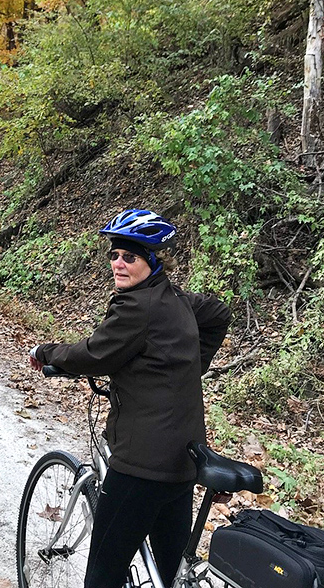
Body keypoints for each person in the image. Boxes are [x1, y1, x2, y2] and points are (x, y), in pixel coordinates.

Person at [29, 208, 231, 588]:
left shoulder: (138, 306)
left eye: (130, 257)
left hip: (142, 465)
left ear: (153, 261)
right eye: (114, 255)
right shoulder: (173, 297)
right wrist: (186, 366)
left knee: (103, 574)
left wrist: (46, 352)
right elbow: (219, 313)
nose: (118, 264)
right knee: (170, 574)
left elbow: (92, 354)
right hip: (182, 460)